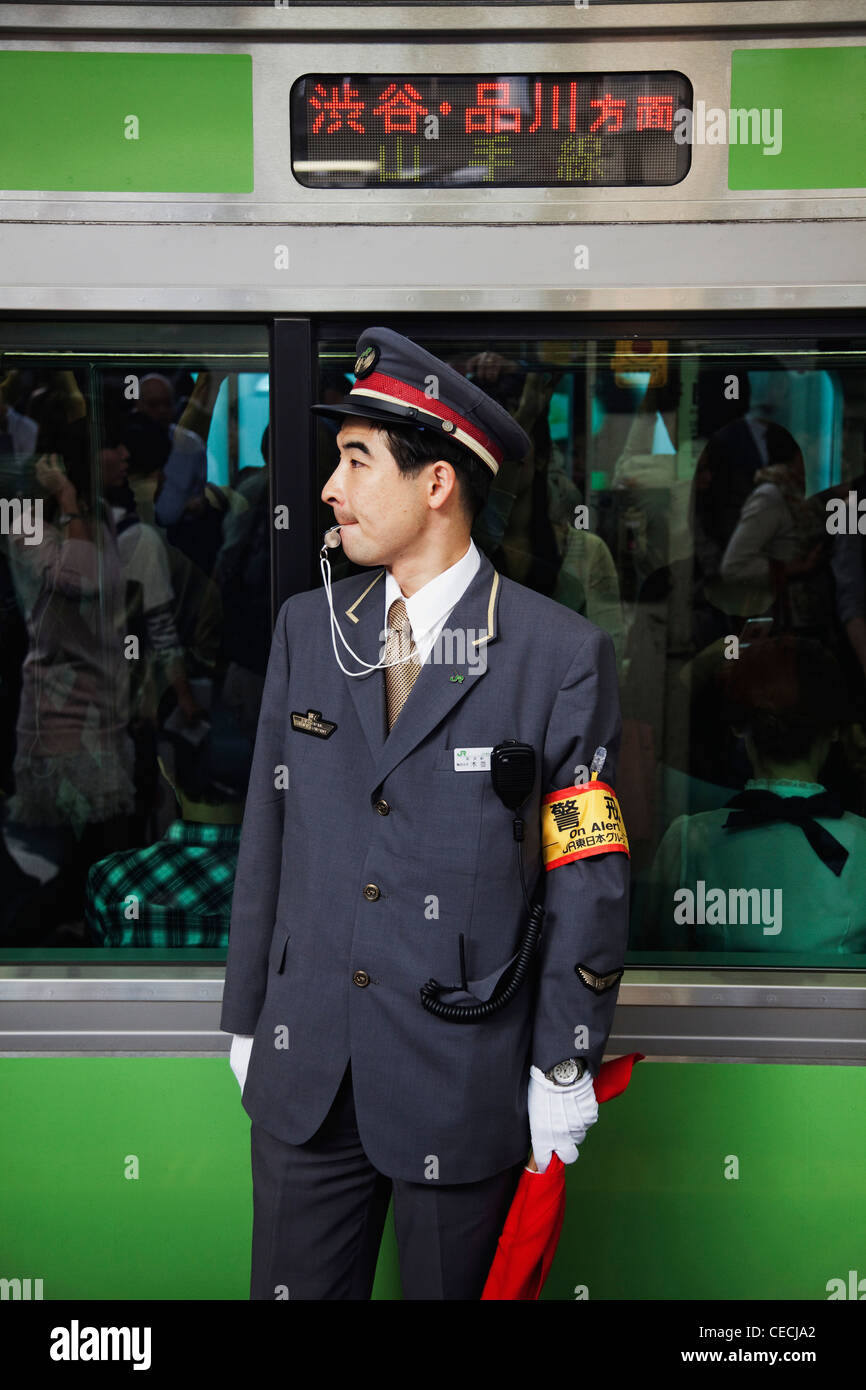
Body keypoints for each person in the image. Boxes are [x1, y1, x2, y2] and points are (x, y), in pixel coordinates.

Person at [220, 327, 630, 1301]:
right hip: (305, 1068)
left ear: (436, 481)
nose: (330, 486)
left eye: (355, 459)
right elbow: (266, 835)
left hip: (464, 1077)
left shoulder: (554, 655)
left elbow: (589, 875)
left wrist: (562, 1060)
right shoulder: (308, 633)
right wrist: (245, 1019)